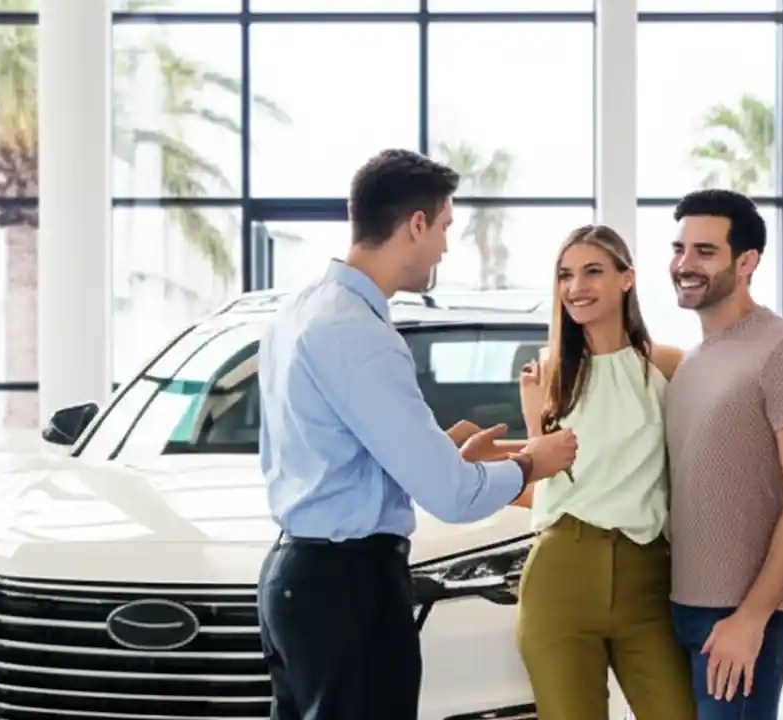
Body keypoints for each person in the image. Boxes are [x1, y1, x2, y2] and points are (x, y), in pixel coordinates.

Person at [255, 148, 580, 720]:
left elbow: (334, 452)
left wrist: (447, 453)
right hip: (347, 586)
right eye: (446, 226)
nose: (447, 246)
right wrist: (535, 461)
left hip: (296, 579)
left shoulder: (300, 312)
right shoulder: (359, 332)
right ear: (416, 224)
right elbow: (453, 497)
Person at [663, 189, 783, 720]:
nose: (684, 265)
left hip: (741, 616)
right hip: (683, 606)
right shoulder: (693, 361)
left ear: (747, 262)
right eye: (679, 248)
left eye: (705, 251)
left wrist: (752, 618)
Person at [511, 224, 696, 720]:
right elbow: (543, 486)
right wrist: (533, 425)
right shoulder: (550, 371)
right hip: (560, 574)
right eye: (565, 275)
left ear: (627, 277)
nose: (576, 287)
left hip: (647, 578)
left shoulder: (668, 366)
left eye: (593, 271)